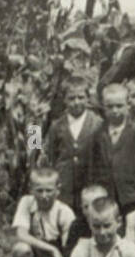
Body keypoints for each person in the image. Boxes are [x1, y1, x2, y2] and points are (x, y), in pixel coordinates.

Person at [6, 167, 76, 257]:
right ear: (31, 189)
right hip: (37, 256)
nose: (44, 196)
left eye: (49, 190)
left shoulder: (65, 213)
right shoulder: (27, 203)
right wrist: (52, 249)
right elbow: (21, 234)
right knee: (20, 249)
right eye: (39, 190)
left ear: (58, 190)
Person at [43, 75, 103, 214]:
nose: (76, 102)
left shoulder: (98, 124)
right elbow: (52, 155)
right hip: (66, 187)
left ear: (88, 99)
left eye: (81, 97)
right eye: (71, 98)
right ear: (64, 100)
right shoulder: (56, 125)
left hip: (89, 183)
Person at [88, 82, 135, 218]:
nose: (115, 110)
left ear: (127, 105)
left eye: (119, 106)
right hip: (95, 192)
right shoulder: (44, 122)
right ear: (103, 106)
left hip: (130, 195)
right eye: (110, 107)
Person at [63, 183, 111, 257]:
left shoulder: (111, 222)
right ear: (81, 207)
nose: (90, 210)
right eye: (86, 206)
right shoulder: (77, 225)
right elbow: (68, 253)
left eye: (96, 205)